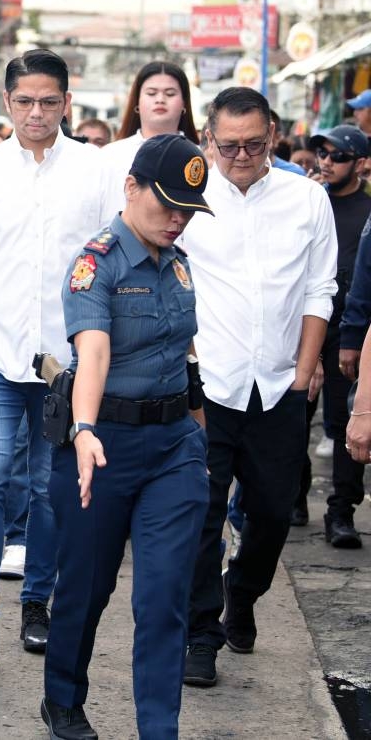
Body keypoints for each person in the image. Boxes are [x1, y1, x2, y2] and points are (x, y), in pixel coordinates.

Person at [0, 49, 108, 664]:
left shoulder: (93, 172)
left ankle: (37, 603)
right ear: (6, 103)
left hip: (67, 364)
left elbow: (106, 262)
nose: (36, 113)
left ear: (67, 101)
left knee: (46, 486)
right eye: (25, 101)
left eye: (49, 101)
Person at [41, 134, 212, 740]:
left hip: (172, 448)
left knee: (164, 595)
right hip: (101, 446)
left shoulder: (179, 259)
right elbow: (93, 352)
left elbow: (182, 350)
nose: (177, 220)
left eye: (188, 209)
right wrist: (84, 428)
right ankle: (62, 696)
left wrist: (198, 432)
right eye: (167, 204)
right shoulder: (97, 263)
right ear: (131, 188)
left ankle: (158, 730)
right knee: (87, 588)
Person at [181, 87, 337, 689]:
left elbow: (321, 288)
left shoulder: (306, 198)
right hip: (209, 387)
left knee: (273, 515)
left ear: (271, 134)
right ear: (209, 140)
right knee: (200, 516)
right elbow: (174, 274)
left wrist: (302, 372)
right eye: (229, 146)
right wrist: (186, 360)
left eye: (253, 144)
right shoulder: (192, 198)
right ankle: (202, 634)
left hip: (278, 387)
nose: (242, 156)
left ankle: (241, 593)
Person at [310, 125, 371, 548]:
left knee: (344, 420)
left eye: (338, 155)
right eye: (323, 154)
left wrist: (352, 338)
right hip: (306, 324)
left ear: (361, 164)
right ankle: (292, 500)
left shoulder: (366, 210)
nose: (327, 162)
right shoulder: (309, 203)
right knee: (292, 414)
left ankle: (341, 512)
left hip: (349, 329)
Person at [100, 62, 199, 213]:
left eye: (170, 93)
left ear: (184, 103)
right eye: (151, 93)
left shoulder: (201, 157)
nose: (160, 99)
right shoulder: (109, 156)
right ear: (137, 101)